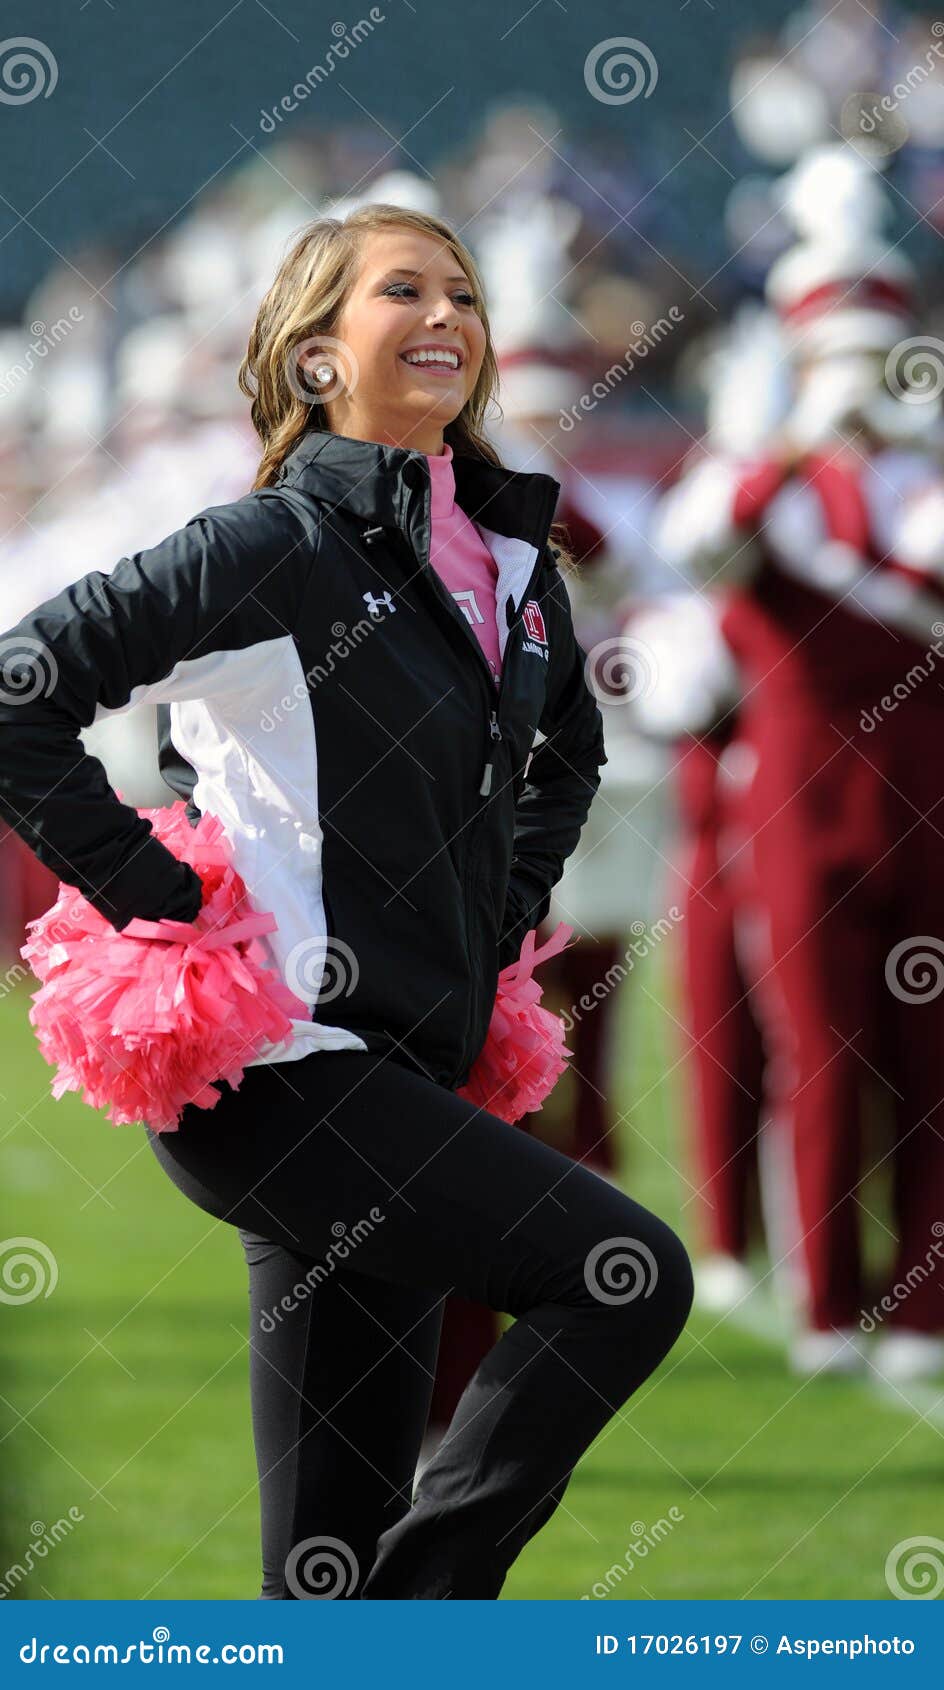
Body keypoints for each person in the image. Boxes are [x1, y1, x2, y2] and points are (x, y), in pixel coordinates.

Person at [0, 203, 693, 1599]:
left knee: (318, 1549)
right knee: (626, 1269)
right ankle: (418, 1626)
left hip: (408, 1072)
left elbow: (572, 746)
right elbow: (23, 686)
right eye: (402, 291)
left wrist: (498, 910)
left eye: (464, 293)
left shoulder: (513, 566)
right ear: (317, 358)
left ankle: (356, 1639)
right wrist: (153, 895)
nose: (448, 315)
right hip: (282, 1073)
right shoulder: (275, 545)